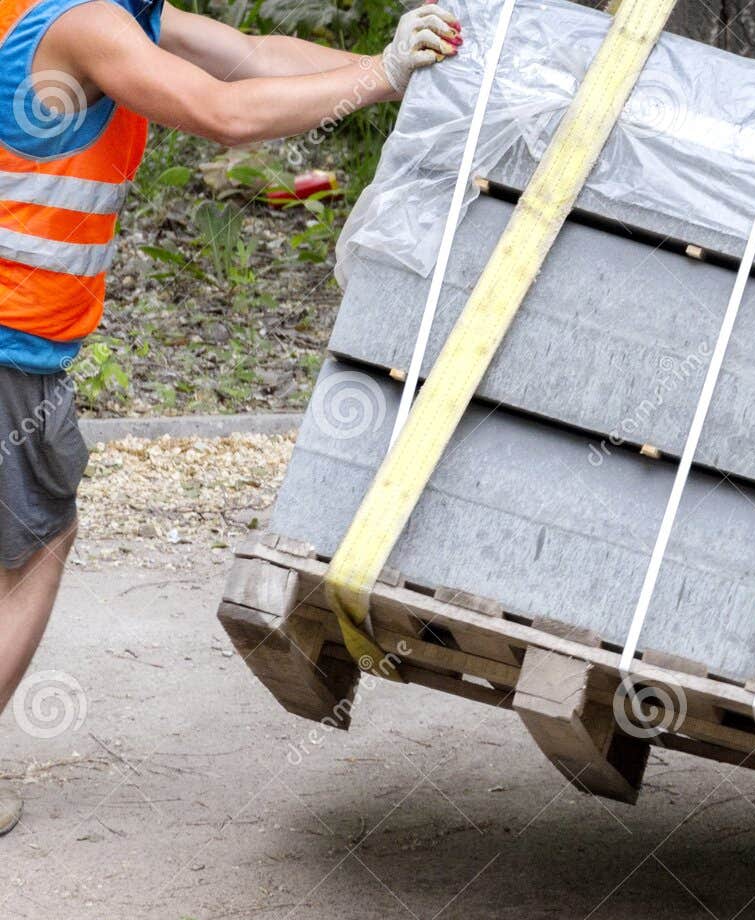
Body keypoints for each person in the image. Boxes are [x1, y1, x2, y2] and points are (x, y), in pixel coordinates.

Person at [0, 0, 462, 836]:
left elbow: (246, 55)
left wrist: (408, 74)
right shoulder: (87, 24)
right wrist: (382, 72)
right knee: (33, 550)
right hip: (10, 345)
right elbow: (222, 114)